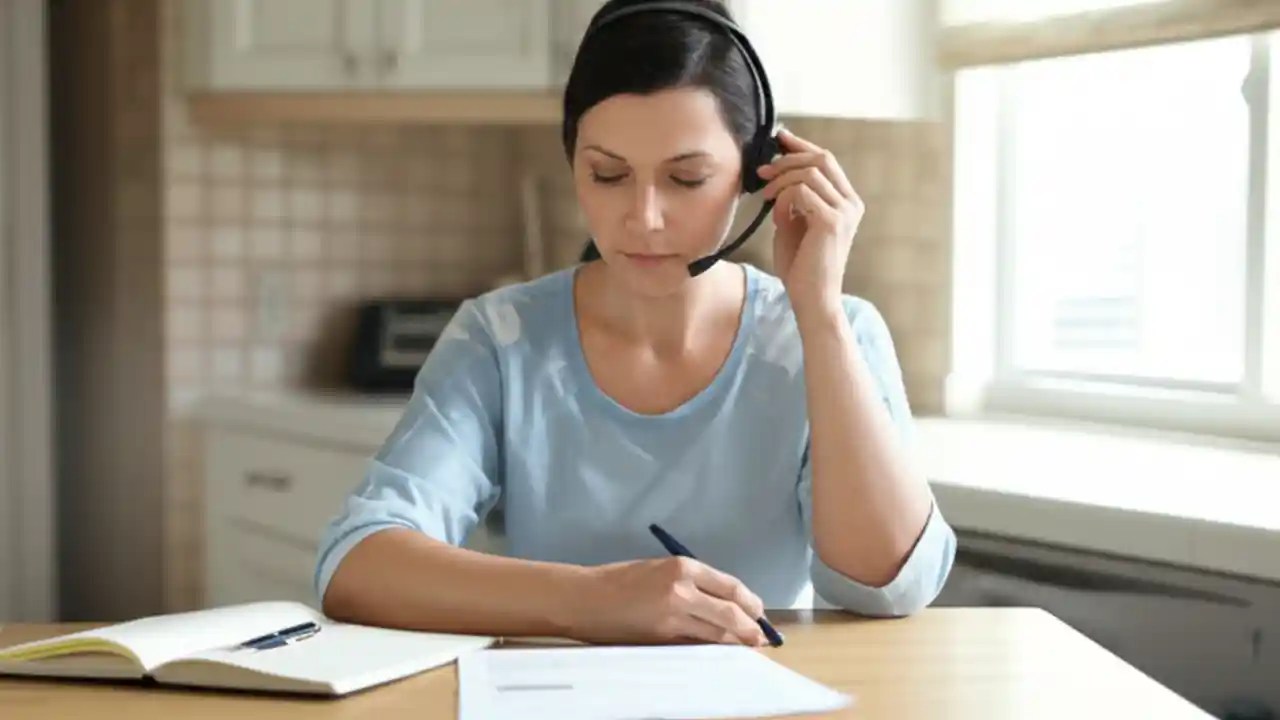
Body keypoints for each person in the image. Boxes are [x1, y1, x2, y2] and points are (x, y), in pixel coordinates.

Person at [315, 0, 956, 647]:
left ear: (757, 170)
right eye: (609, 174)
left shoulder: (836, 330)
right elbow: (357, 562)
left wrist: (817, 313)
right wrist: (595, 599)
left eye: (686, 178)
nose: (644, 217)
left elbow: (888, 586)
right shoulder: (500, 337)